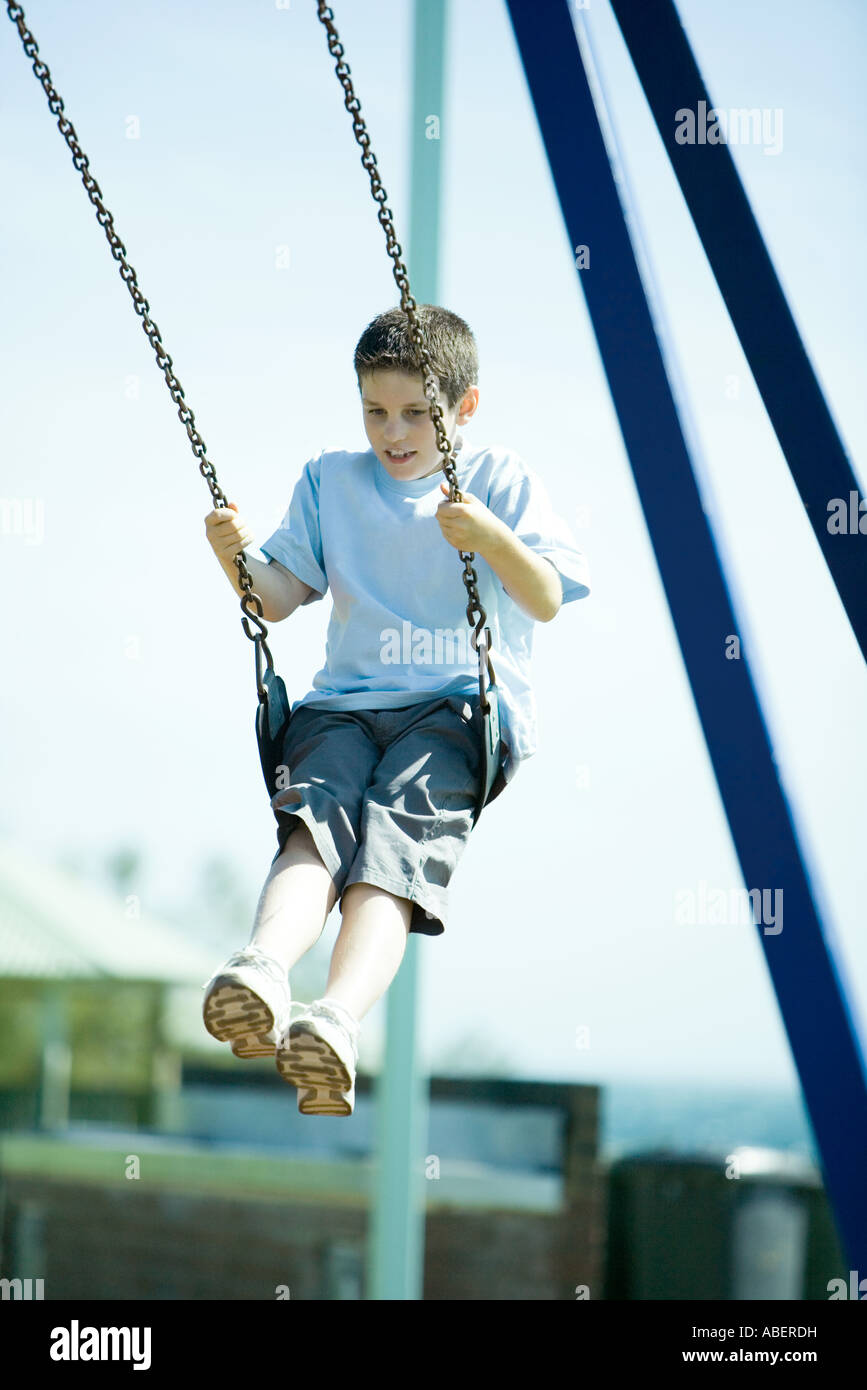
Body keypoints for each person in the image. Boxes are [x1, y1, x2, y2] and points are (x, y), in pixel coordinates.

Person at [200, 304, 591, 1116]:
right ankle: (261, 972)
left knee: (388, 865)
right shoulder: (330, 480)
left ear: (464, 409)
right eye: (375, 411)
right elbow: (276, 598)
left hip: (454, 713)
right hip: (342, 708)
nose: (395, 431)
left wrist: (486, 537)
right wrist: (234, 556)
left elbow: (546, 597)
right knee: (315, 829)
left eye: (417, 412)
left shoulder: (499, 481)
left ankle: (335, 1021)